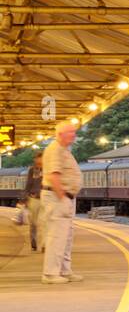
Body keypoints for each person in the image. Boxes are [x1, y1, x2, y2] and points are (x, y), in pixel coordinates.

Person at [41, 121, 83, 284]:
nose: (74, 135)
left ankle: (64, 270)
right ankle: (50, 274)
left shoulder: (63, 149)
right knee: (57, 236)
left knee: (66, 237)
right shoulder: (55, 150)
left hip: (64, 197)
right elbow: (54, 176)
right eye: (70, 132)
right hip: (58, 197)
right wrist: (62, 198)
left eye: (74, 132)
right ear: (60, 134)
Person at [24, 153, 45, 252]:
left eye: (40, 159)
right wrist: (25, 198)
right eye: (37, 159)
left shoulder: (48, 169)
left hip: (45, 199)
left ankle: (44, 244)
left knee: (44, 222)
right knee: (33, 223)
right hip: (34, 198)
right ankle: (34, 243)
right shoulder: (32, 170)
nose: (38, 161)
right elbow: (28, 184)